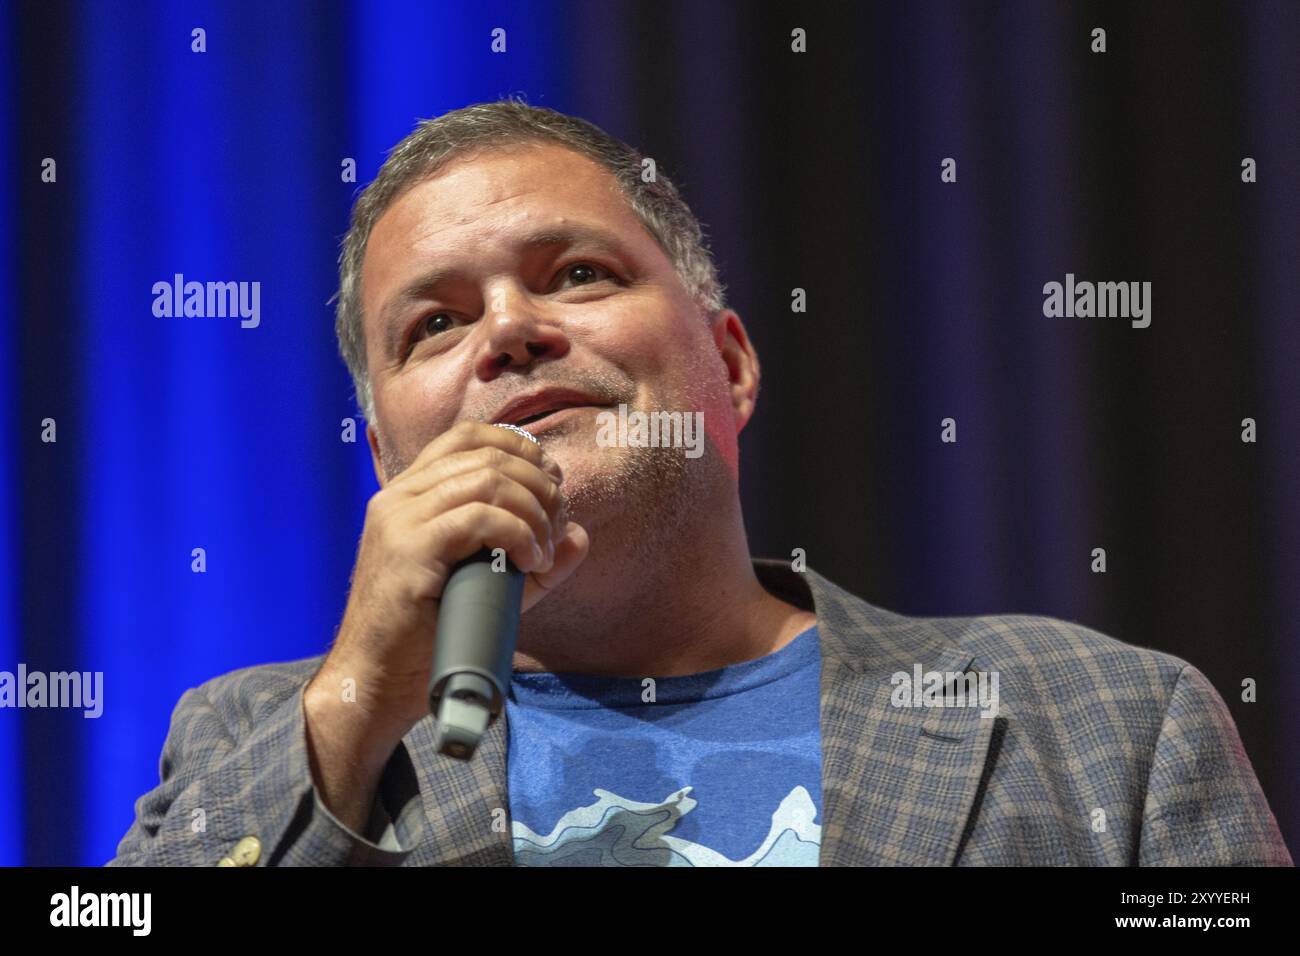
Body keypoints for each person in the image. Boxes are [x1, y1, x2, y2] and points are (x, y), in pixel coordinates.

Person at [108, 99, 1292, 867]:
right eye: (433, 324)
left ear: (726, 364)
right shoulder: (259, 737)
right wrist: (356, 699)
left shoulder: (1102, 723)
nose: (508, 332)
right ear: (385, 455)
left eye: (574, 272)